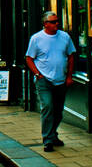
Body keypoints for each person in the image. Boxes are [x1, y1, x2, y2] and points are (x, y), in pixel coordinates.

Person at [25, 11, 76, 152]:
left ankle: (53, 134)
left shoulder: (65, 37)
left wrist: (70, 76)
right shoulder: (36, 39)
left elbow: (71, 56)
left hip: (61, 80)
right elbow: (29, 58)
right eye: (53, 22)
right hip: (44, 80)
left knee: (58, 111)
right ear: (45, 24)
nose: (57, 24)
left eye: (57, 21)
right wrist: (37, 74)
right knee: (48, 107)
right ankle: (47, 140)